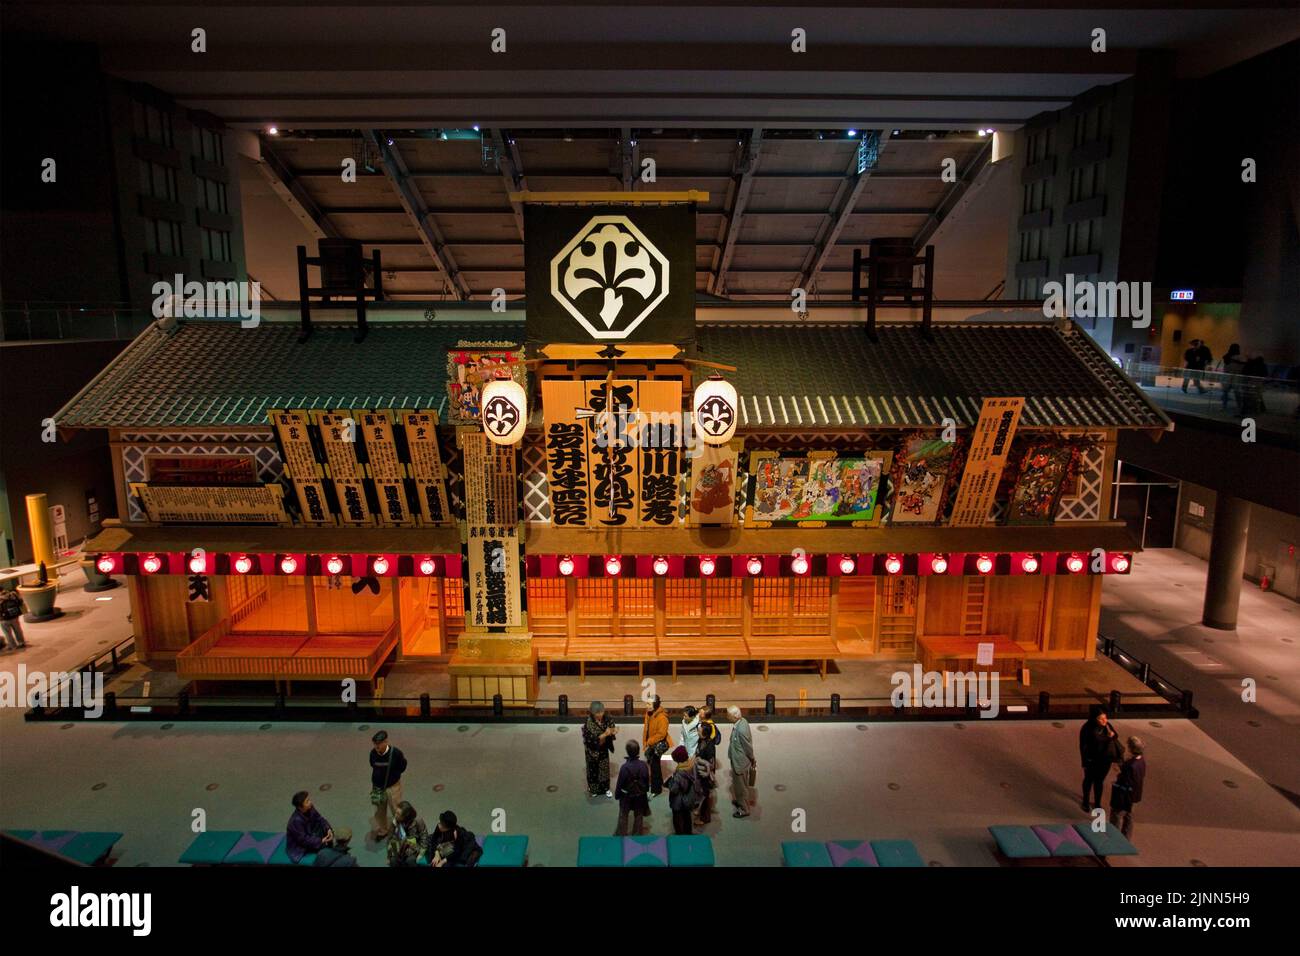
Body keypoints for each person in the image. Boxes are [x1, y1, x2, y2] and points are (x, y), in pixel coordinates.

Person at [286, 791, 356, 867]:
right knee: (323, 847)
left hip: (311, 832)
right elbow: (304, 840)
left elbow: (320, 819)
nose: (310, 802)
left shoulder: (310, 808)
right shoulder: (295, 821)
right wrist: (320, 841)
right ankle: (332, 855)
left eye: (309, 800)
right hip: (300, 846)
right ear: (300, 807)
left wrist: (328, 829)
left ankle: (332, 853)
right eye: (307, 801)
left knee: (329, 835)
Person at [1079, 705, 1122, 812]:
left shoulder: (1107, 725)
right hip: (1092, 759)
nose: (1104, 720)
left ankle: (1097, 802)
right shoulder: (1087, 728)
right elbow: (1083, 746)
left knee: (1099, 781)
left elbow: (1115, 735)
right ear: (1094, 719)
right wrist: (1084, 761)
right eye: (1101, 718)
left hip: (1104, 759)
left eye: (1105, 717)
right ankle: (1085, 801)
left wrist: (1112, 735)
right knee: (1088, 780)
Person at [369, 730, 408, 839]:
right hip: (377, 788)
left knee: (397, 809)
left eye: (378, 744)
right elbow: (372, 764)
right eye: (375, 744)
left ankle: (400, 829)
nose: (376, 747)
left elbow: (403, 766)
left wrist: (394, 777)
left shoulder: (396, 753)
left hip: (393, 787)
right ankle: (383, 829)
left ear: (386, 741)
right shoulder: (373, 753)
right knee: (379, 811)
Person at [1110, 737, 1147, 840]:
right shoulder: (1141, 761)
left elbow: (1125, 781)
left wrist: (1118, 772)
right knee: (1129, 817)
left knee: (1116, 817)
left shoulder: (1130, 765)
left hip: (1124, 797)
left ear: (1131, 748)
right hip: (1135, 795)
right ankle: (1126, 839)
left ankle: (1113, 841)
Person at [613, 740, 651, 836]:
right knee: (639, 815)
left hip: (626, 796)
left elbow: (620, 784)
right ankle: (637, 834)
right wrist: (645, 791)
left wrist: (617, 795)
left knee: (623, 815)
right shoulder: (643, 765)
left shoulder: (625, 767)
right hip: (640, 796)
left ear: (627, 751)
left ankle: (621, 834)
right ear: (638, 751)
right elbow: (647, 781)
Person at [581, 701, 617, 797]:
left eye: (602, 712)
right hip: (592, 750)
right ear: (593, 713)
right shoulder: (589, 723)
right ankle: (593, 789)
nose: (600, 714)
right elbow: (590, 739)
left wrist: (613, 731)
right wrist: (604, 734)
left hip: (603, 748)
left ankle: (605, 788)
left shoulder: (607, 718)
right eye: (598, 713)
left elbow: (613, 726)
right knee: (593, 770)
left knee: (604, 768)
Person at [726, 705, 756, 818]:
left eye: (728, 714)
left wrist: (752, 759)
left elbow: (748, 747)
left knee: (741, 787)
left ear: (734, 716)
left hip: (740, 762)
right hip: (736, 759)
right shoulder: (741, 722)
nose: (726, 716)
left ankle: (744, 809)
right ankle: (739, 801)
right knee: (738, 785)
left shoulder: (741, 729)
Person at [642, 695, 674, 797]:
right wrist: (646, 742)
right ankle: (658, 782)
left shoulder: (662, 717)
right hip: (651, 743)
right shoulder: (648, 713)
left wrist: (649, 742)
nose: (646, 705)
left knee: (654, 765)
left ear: (655, 705)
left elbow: (662, 734)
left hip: (658, 744)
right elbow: (646, 729)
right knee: (654, 764)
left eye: (649, 704)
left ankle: (656, 789)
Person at [666, 745, 698, 835]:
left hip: (678, 801)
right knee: (687, 817)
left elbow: (674, 789)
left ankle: (680, 836)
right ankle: (688, 833)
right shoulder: (691, 765)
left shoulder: (679, 773)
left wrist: (669, 783)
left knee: (677, 820)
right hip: (689, 798)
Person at [387, 801, 429, 867]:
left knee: (410, 861)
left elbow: (424, 836)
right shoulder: (396, 821)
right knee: (393, 860)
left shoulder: (418, 820)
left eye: (398, 814)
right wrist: (389, 855)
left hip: (414, 847)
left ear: (405, 816)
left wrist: (421, 853)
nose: (395, 815)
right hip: (400, 846)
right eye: (396, 812)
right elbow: (391, 837)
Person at [693, 713, 718, 825]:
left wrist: (700, 761)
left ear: (704, 734)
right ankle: (699, 809)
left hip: (705, 774)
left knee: (706, 795)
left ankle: (705, 818)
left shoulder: (709, 747)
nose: (697, 732)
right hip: (699, 771)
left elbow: (711, 764)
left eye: (699, 731)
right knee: (701, 792)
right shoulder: (701, 741)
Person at [1219, 343, 1244, 411]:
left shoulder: (1227, 356)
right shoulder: (1239, 357)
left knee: (1225, 392)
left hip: (1227, 375)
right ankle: (1239, 407)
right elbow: (1242, 367)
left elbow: (1225, 366)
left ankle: (1224, 406)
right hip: (1236, 376)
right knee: (1237, 392)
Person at [0, 586, 27, 651]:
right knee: (18, 630)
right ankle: (21, 642)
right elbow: (20, 601)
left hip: (3, 618)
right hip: (14, 615)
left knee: (7, 633)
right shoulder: (11, 594)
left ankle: (12, 646)